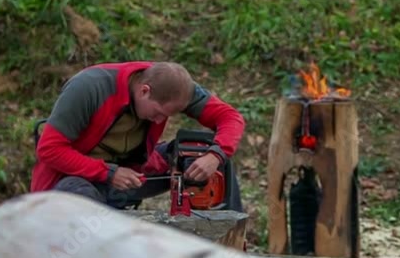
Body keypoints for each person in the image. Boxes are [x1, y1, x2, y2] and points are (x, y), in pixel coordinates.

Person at [30, 61, 246, 211]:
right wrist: (109, 173)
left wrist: (215, 155)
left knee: (208, 158)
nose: (161, 121)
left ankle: (230, 255)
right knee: (79, 196)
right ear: (144, 91)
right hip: (77, 183)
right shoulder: (89, 88)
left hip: (133, 176)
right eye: (159, 113)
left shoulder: (173, 86)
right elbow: (49, 149)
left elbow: (230, 118)